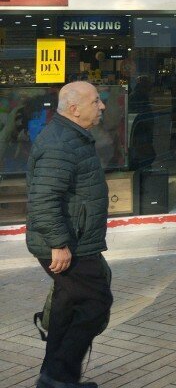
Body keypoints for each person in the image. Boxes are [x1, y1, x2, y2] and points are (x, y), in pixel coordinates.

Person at [26, 81, 112, 388]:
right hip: (68, 244)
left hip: (76, 239)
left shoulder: (72, 136)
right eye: (95, 101)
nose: (102, 106)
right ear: (74, 109)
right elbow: (43, 200)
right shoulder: (60, 143)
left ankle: (55, 378)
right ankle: (58, 376)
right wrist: (59, 244)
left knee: (67, 306)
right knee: (96, 302)